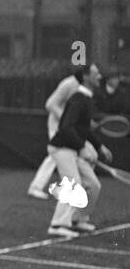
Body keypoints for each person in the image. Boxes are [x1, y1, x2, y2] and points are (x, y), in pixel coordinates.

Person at [46, 64, 112, 238]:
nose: (99, 77)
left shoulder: (86, 98)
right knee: (73, 183)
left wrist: (99, 146)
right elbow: (66, 127)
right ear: (85, 77)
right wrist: (82, 147)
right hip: (61, 148)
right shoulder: (78, 98)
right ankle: (57, 224)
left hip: (72, 148)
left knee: (94, 185)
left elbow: (84, 128)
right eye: (96, 74)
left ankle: (78, 219)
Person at [27, 64, 84, 199]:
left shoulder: (82, 87)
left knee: (62, 156)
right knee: (56, 154)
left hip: (66, 125)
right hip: (57, 125)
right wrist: (66, 120)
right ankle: (35, 187)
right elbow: (50, 104)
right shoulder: (68, 84)